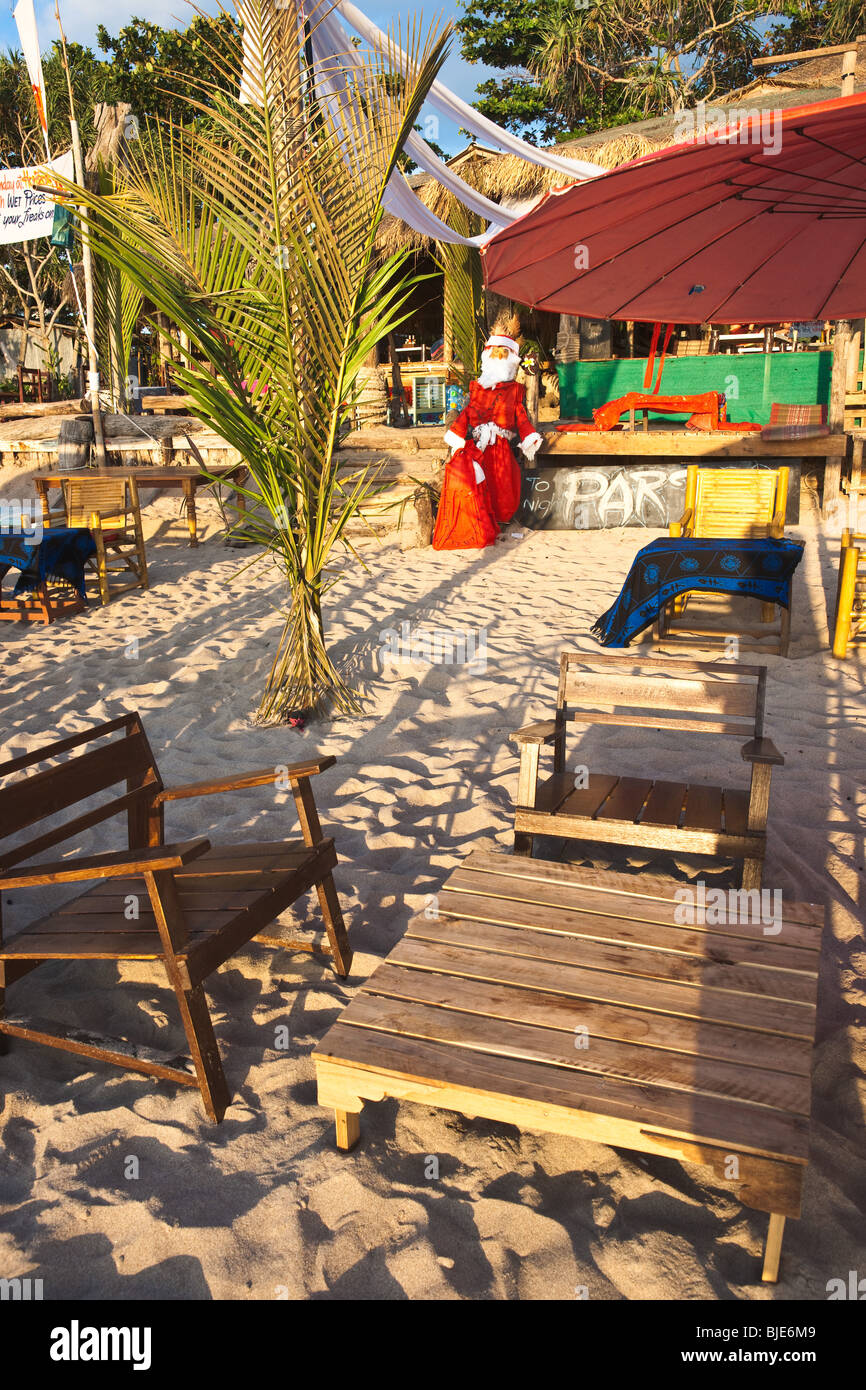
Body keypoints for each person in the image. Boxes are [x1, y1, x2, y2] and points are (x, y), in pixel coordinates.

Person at [432, 331, 543, 551]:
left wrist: (529, 435)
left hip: (500, 446)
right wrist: (457, 434)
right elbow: (468, 413)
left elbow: (520, 415)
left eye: (503, 355)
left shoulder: (513, 392)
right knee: (480, 482)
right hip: (479, 446)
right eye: (495, 355)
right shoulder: (478, 390)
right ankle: (482, 521)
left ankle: (500, 521)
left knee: (503, 483)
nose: (498, 360)